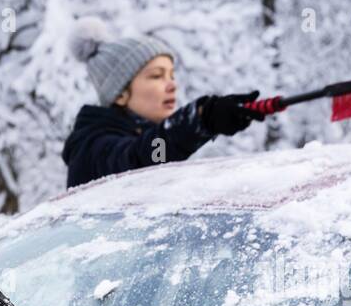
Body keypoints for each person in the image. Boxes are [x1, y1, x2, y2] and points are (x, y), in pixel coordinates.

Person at [62, 17, 266, 189]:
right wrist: (202, 119)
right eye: (157, 76)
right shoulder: (92, 147)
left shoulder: (141, 138)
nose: (172, 85)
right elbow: (144, 158)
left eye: (171, 75)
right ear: (120, 95)